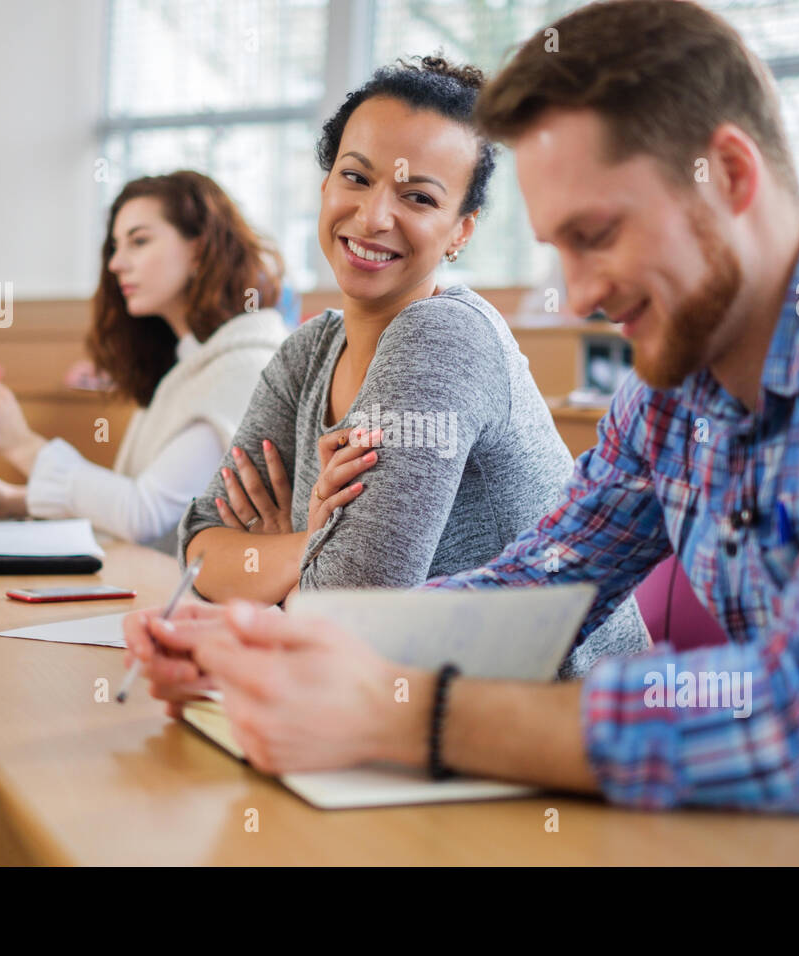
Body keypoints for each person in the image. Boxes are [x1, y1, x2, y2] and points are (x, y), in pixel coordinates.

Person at [124, 0, 799, 866]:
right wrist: (277, 655)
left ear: (729, 176)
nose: (581, 293)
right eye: (557, 247)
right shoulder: (674, 380)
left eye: (597, 234)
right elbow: (539, 578)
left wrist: (407, 714)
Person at [170, 55, 648, 671]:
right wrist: (310, 547)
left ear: (461, 231)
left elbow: (348, 616)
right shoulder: (306, 352)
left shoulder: (445, 338)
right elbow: (197, 547)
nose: (373, 217)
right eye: (356, 177)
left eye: (419, 197)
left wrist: (274, 568)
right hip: (397, 708)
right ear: (325, 187)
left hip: (547, 724)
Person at [0, 172, 289, 553]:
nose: (116, 263)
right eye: (115, 246)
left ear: (199, 249)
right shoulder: (191, 360)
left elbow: (145, 514)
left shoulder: (244, 367)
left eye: (139, 241)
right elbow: (144, 505)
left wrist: (22, 446)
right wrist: (15, 500)